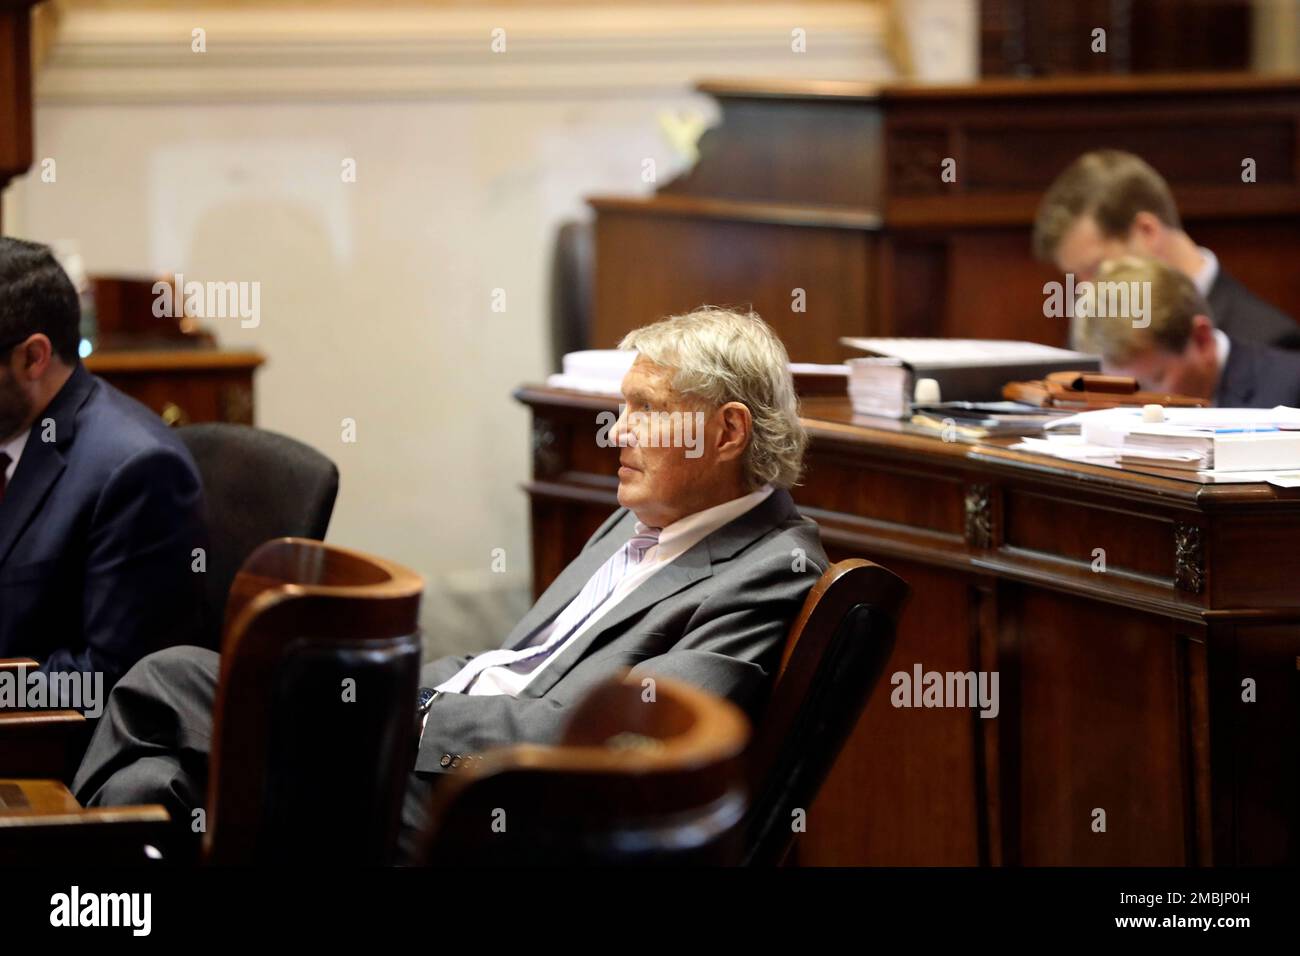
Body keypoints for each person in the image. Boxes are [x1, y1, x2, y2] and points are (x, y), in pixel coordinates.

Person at [72, 306, 829, 862]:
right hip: (443, 761)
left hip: (495, 815)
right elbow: (509, 665)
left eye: (647, 411)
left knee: (170, 687)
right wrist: (404, 700)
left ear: (728, 432)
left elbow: (626, 737)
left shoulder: (770, 569)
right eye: (620, 406)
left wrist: (403, 716)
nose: (617, 432)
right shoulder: (642, 518)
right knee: (159, 753)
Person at [0, 237, 206, 690]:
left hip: (54, 748)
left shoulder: (137, 471)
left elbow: (111, 681)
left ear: (33, 357)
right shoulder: (10, 428)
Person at [1033, 149, 1300, 350]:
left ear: (1147, 232)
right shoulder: (1096, 330)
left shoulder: (1269, 341)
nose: (1085, 291)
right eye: (1077, 277)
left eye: (1095, 269)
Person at [1075, 256, 1300, 408]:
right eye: (1124, 388)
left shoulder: (1290, 390)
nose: (1140, 406)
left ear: (1202, 339)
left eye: (1155, 380)